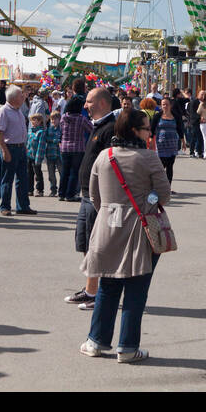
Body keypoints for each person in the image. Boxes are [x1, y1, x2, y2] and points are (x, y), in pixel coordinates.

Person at [79, 108, 170, 364]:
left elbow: (94, 195)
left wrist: (110, 211)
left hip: (107, 226)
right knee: (136, 290)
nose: (149, 133)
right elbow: (164, 195)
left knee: (107, 286)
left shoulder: (104, 157)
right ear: (134, 130)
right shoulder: (149, 158)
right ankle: (128, 348)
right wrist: (146, 203)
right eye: (146, 129)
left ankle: (95, 341)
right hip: (140, 227)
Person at [68, 87, 117, 310]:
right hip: (87, 195)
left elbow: (110, 166)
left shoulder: (110, 129)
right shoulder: (99, 126)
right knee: (85, 243)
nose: (85, 105)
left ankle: (100, 295)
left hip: (97, 197)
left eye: (89, 101)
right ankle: (90, 290)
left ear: (103, 104)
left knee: (97, 246)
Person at [0, 85, 34, 215]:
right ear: (13, 98)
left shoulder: (18, 110)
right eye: (20, 95)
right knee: (7, 179)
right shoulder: (3, 111)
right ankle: (5, 206)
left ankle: (23, 206)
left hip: (21, 147)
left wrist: (24, 147)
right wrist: (5, 151)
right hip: (10, 148)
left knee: (23, 178)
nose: (23, 97)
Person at [59, 84, 91, 202]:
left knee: (65, 171)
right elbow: (91, 129)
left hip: (64, 148)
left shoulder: (63, 118)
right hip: (78, 148)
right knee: (74, 172)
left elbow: (61, 130)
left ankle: (61, 193)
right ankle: (70, 194)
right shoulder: (81, 119)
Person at [155, 96, 180, 184]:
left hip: (172, 145)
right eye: (163, 104)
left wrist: (183, 141)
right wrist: (150, 140)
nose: (165, 106)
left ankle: (168, 187)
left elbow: (180, 128)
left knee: (170, 166)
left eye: (167, 104)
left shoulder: (175, 116)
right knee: (161, 167)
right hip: (161, 145)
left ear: (170, 105)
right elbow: (152, 128)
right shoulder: (158, 116)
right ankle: (159, 186)